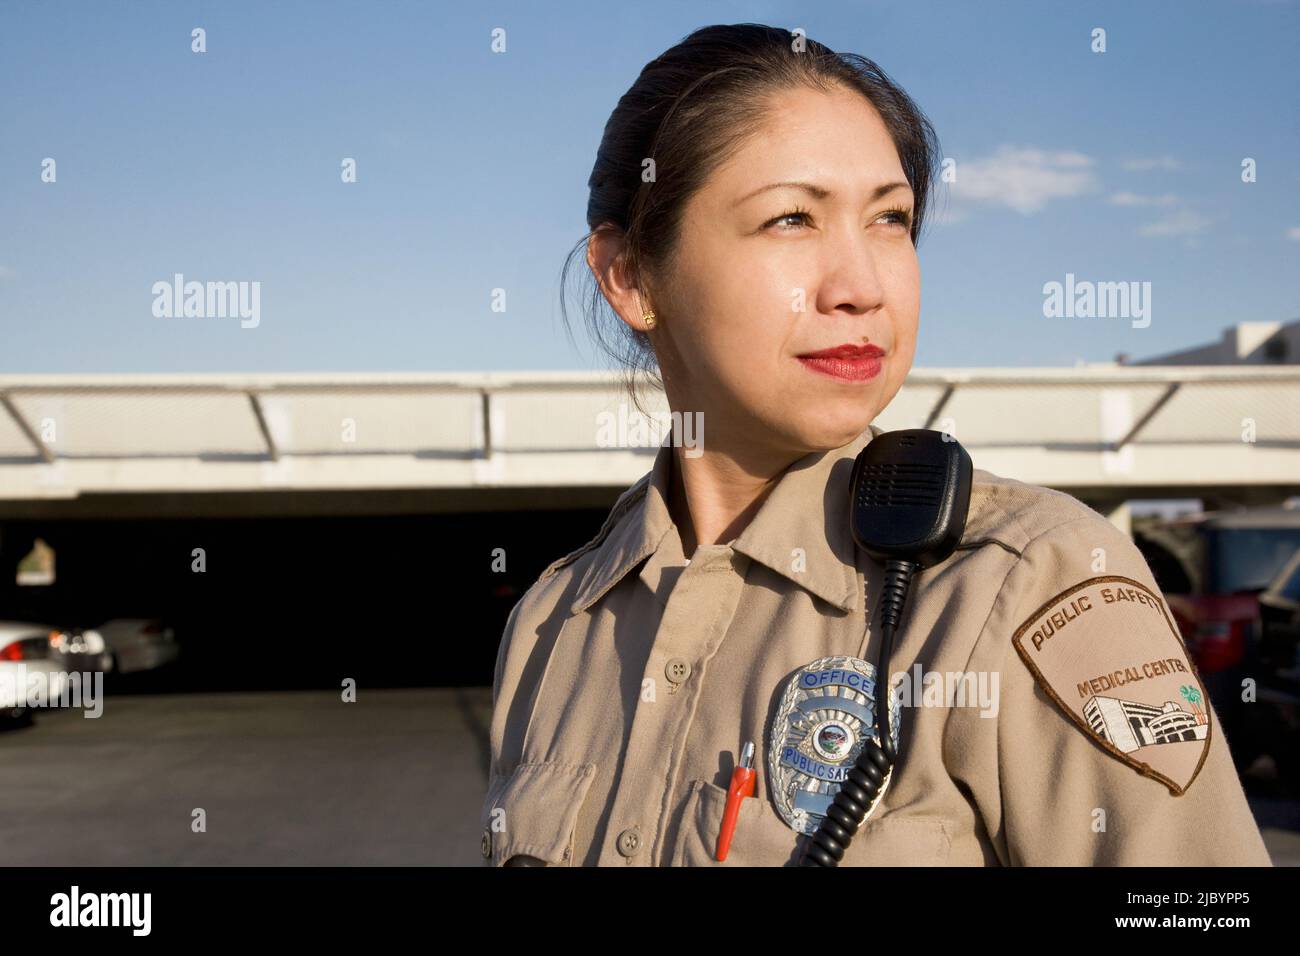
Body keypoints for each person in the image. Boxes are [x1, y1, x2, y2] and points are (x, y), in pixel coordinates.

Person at [479, 23, 1273, 867]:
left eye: (892, 219)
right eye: (791, 219)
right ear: (632, 276)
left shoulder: (1029, 583)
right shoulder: (550, 625)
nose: (862, 286)